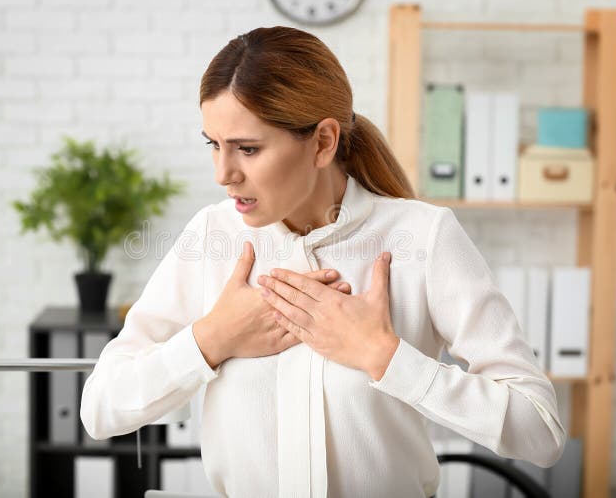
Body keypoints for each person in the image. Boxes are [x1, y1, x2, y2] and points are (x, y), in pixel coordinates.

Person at [80, 26, 566, 498]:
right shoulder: (211, 237)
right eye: (214, 144)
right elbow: (101, 408)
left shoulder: (423, 237)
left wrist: (385, 357)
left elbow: (540, 432)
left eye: (247, 149)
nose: (223, 174)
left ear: (323, 142)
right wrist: (212, 339)